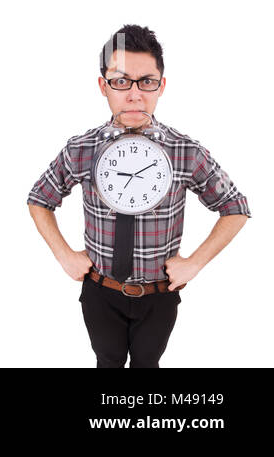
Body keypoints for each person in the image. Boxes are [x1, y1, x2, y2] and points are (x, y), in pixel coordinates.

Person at [27, 25, 249, 368]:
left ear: (161, 85)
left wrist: (194, 263)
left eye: (146, 81)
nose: (134, 94)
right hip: (101, 292)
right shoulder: (82, 149)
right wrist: (63, 254)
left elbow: (235, 208)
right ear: (104, 86)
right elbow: (40, 199)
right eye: (121, 81)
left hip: (159, 296)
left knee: (148, 364)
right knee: (107, 361)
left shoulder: (184, 151)